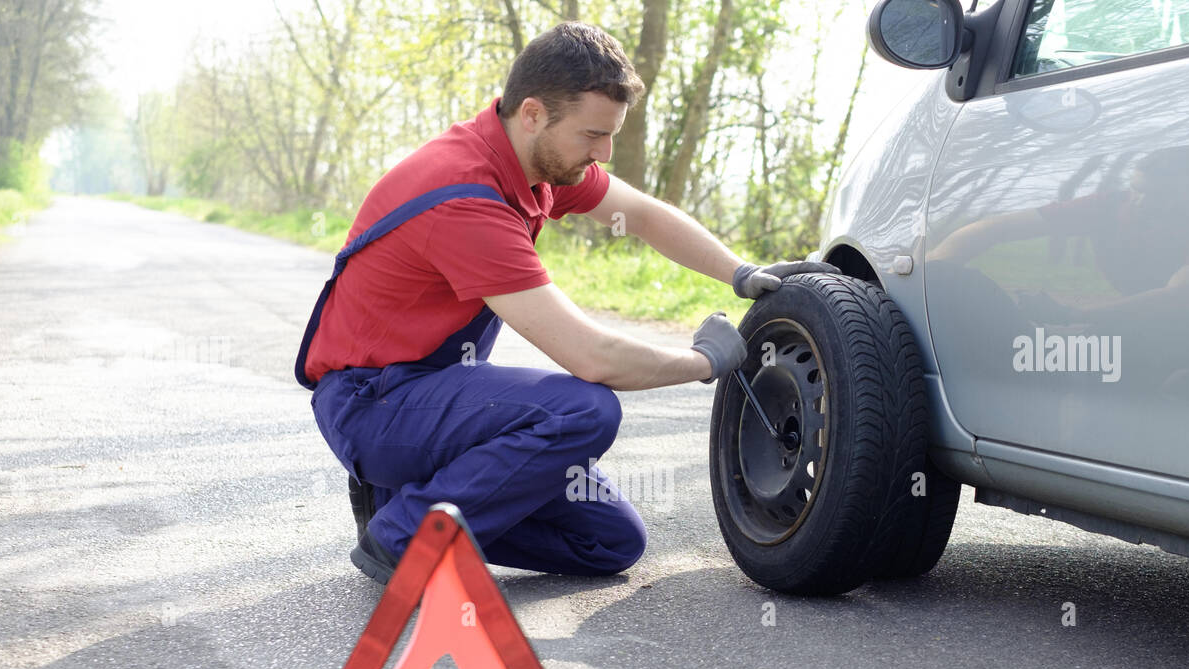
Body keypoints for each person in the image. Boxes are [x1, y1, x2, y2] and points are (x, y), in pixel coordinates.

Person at [297, 21, 837, 584]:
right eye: (593, 135)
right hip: (373, 406)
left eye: (611, 136)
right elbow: (592, 357)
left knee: (608, 542)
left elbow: (645, 215)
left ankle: (407, 499)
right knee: (583, 410)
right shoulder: (463, 198)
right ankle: (402, 536)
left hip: (424, 397)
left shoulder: (534, 161)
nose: (603, 152)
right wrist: (703, 361)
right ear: (533, 114)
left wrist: (741, 272)